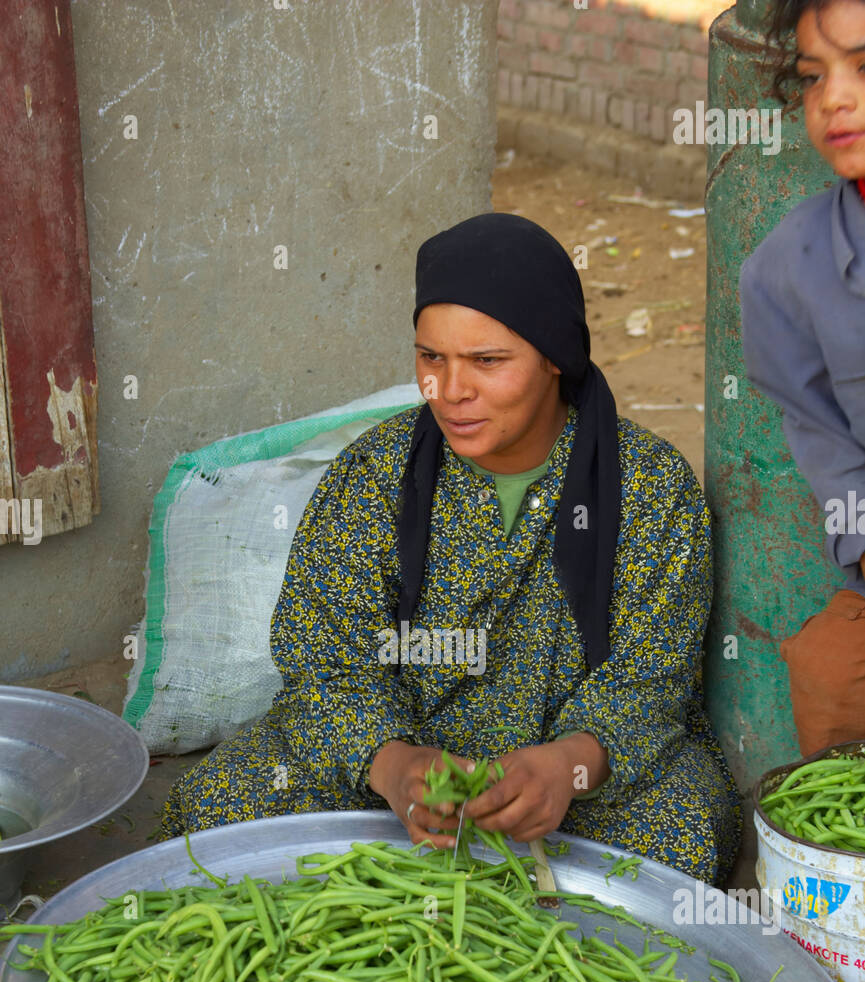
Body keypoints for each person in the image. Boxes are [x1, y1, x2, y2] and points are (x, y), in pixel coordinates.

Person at [161, 212, 742, 884]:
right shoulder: (374, 474)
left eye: (487, 361)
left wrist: (568, 764)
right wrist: (394, 765)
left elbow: (651, 673)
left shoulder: (649, 484)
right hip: (397, 765)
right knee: (221, 809)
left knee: (680, 832)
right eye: (430, 357)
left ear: (555, 355)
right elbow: (325, 651)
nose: (450, 389)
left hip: (577, 784)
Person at [740, 0, 865, 756]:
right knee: (828, 673)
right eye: (813, 77)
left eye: (863, 67)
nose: (833, 100)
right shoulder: (783, 270)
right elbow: (828, 451)